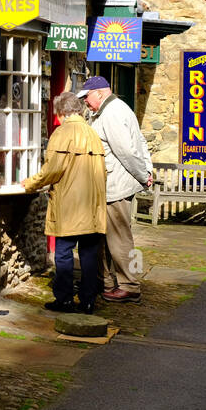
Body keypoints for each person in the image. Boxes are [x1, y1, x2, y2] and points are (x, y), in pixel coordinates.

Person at [22, 91, 107, 314]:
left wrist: (30, 184)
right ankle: (88, 301)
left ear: (62, 113)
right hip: (93, 205)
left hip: (70, 204)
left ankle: (65, 299)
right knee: (89, 255)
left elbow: (52, 170)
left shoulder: (62, 133)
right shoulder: (93, 134)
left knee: (63, 253)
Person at [78, 76, 152, 304]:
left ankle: (130, 285)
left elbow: (127, 151)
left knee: (119, 239)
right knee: (105, 239)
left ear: (99, 93)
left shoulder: (111, 114)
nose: (85, 103)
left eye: (87, 97)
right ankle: (107, 282)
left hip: (115, 187)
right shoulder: (113, 110)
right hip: (108, 186)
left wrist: (144, 175)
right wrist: (146, 170)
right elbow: (139, 142)